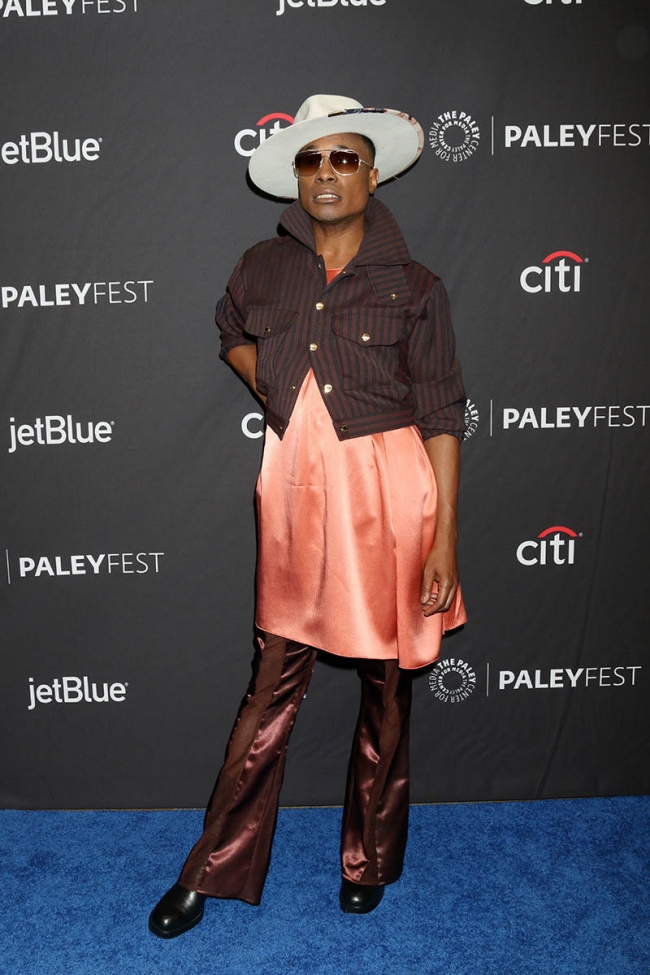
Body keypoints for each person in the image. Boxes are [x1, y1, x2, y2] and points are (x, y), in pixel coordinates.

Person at [149, 93, 467, 940]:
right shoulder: (261, 264)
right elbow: (229, 330)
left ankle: (368, 859)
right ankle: (211, 868)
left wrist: (444, 537)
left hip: (393, 497)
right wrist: (277, 390)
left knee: (388, 688)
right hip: (296, 490)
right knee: (270, 687)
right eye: (311, 160)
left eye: (344, 158)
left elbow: (440, 414)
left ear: (371, 171)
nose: (326, 173)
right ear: (295, 175)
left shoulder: (416, 285)